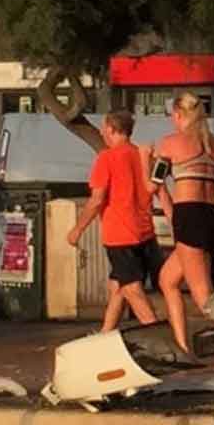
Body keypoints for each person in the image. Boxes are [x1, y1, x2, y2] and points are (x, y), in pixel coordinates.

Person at [142, 93, 214, 363]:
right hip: (211, 216)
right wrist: (211, 172)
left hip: (189, 215)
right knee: (167, 280)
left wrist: (145, 158)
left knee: (203, 295)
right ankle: (182, 347)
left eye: (172, 117)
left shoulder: (170, 143)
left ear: (178, 115)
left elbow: (151, 185)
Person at [68, 110, 169, 332]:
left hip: (120, 236)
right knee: (118, 287)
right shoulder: (142, 156)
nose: (102, 132)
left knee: (133, 291)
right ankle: (105, 334)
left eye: (104, 128)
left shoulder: (107, 158)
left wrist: (77, 229)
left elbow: (97, 199)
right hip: (145, 233)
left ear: (112, 130)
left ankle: (158, 339)